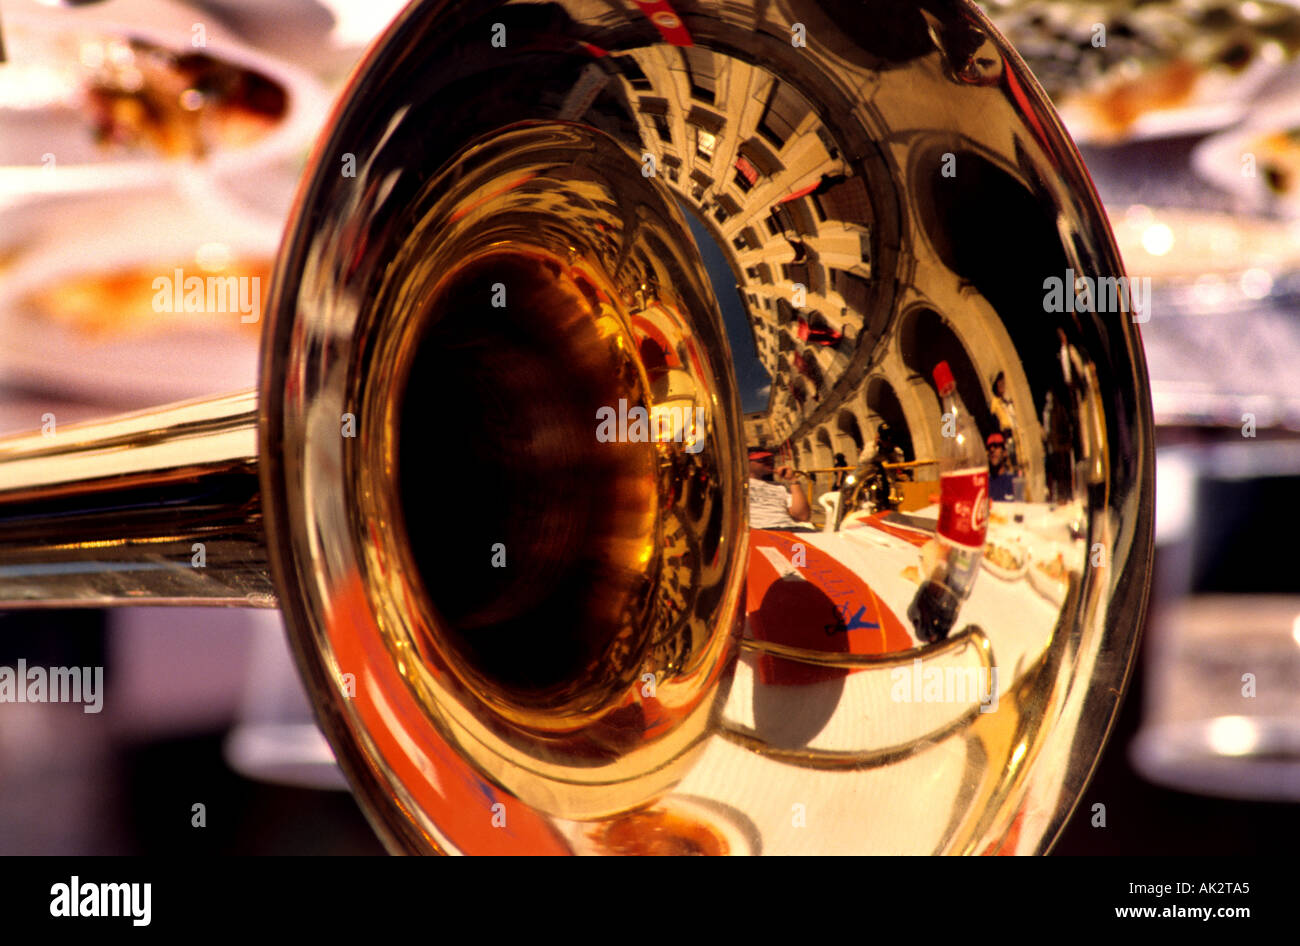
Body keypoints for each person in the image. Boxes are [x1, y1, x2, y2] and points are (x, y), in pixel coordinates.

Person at [747, 446, 814, 530]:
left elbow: (802, 516)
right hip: (758, 530)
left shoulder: (779, 486)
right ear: (747, 463)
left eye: (771, 459)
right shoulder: (737, 486)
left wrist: (793, 480)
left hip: (788, 527)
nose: (770, 462)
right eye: (762, 460)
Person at [989, 370, 1018, 469]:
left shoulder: (1005, 401)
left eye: (1003, 383)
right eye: (1000, 384)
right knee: (1010, 455)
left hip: (1012, 432)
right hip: (1004, 433)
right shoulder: (995, 403)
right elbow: (995, 421)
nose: (1002, 386)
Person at [986, 433, 1016, 502]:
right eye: (989, 447)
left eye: (996, 446)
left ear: (1004, 452)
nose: (992, 450)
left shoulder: (1014, 481)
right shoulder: (985, 483)